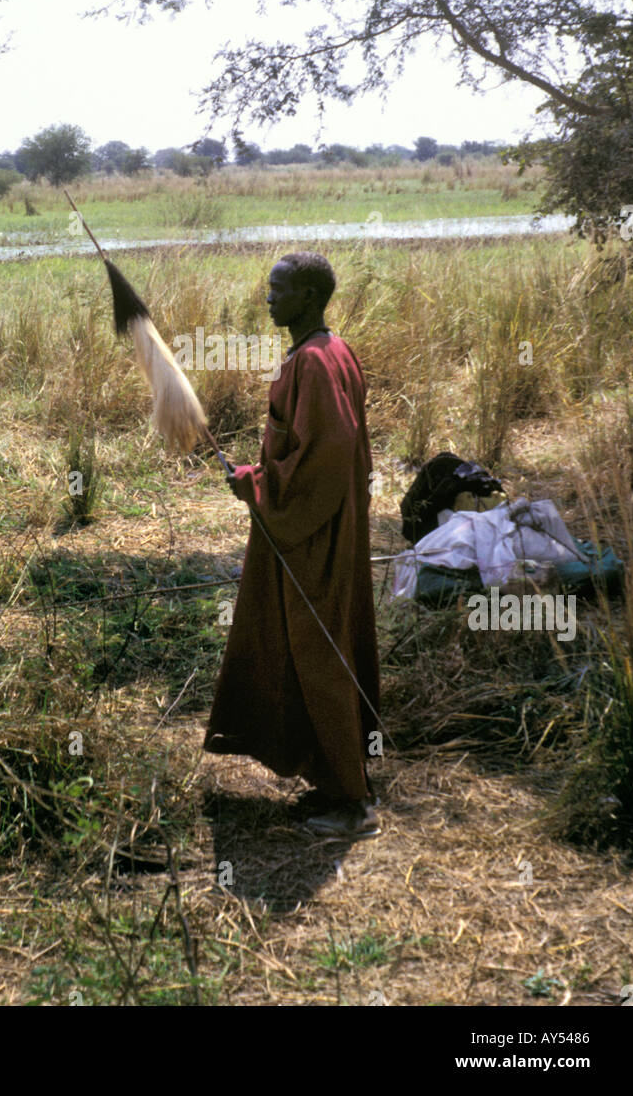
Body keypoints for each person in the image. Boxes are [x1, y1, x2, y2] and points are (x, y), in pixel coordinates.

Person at [204, 252, 382, 837]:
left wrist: (256, 484)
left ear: (308, 295)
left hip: (316, 534)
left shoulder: (313, 362)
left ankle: (352, 807)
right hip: (323, 526)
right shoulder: (332, 351)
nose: (268, 298)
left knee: (319, 653)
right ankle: (331, 782)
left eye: (278, 289)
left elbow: (324, 459)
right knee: (321, 648)